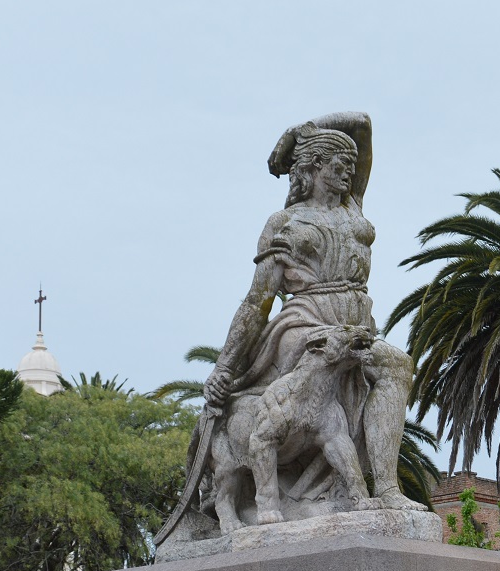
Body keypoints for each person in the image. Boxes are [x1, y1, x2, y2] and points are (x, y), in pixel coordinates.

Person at [158, 112, 423, 544]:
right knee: (324, 358)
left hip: (357, 322)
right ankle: (285, 489)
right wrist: (223, 368)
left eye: (351, 168)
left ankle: (387, 490)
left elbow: (364, 125)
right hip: (302, 323)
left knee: (396, 365)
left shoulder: (352, 208)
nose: (349, 174)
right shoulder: (284, 224)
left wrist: (303, 129)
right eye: (339, 166)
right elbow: (257, 301)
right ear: (314, 167)